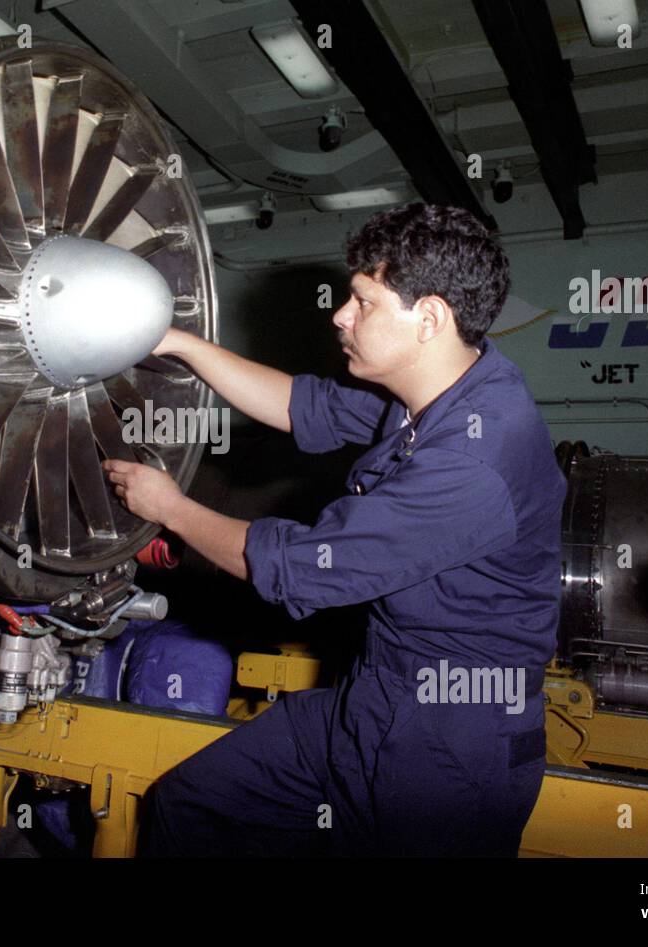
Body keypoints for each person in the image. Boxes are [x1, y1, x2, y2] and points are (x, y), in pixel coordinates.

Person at [102, 202, 566, 857]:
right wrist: (177, 343)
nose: (340, 315)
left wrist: (170, 507)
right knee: (191, 803)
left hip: (451, 754)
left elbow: (302, 567)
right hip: (371, 703)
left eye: (363, 302)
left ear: (429, 318)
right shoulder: (436, 386)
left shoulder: (475, 459)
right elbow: (301, 406)